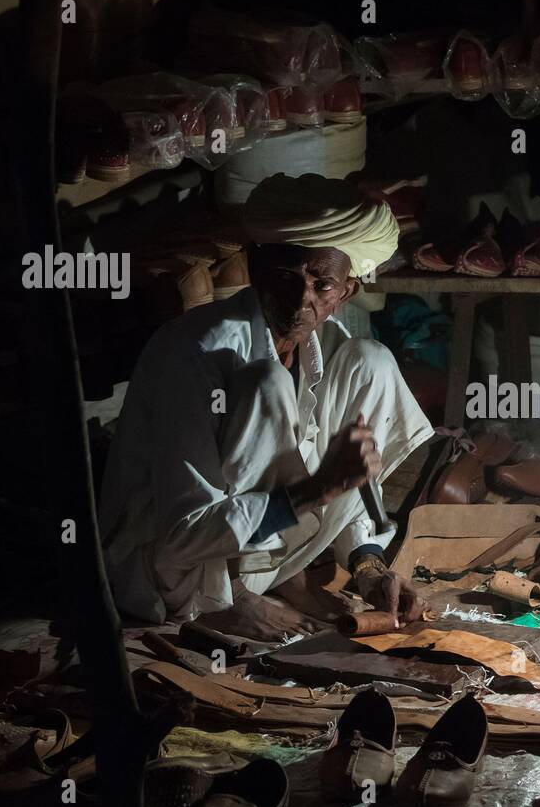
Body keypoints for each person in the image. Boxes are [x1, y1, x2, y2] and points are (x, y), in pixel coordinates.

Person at [99, 173, 433, 641]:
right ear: (256, 269)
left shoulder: (330, 348)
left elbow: (346, 485)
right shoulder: (197, 351)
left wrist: (368, 566)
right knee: (267, 384)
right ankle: (228, 598)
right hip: (171, 575)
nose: (301, 301)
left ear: (346, 293)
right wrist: (316, 489)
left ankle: (279, 576)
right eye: (285, 277)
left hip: (265, 550)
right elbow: (182, 533)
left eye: (322, 285)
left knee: (372, 360)